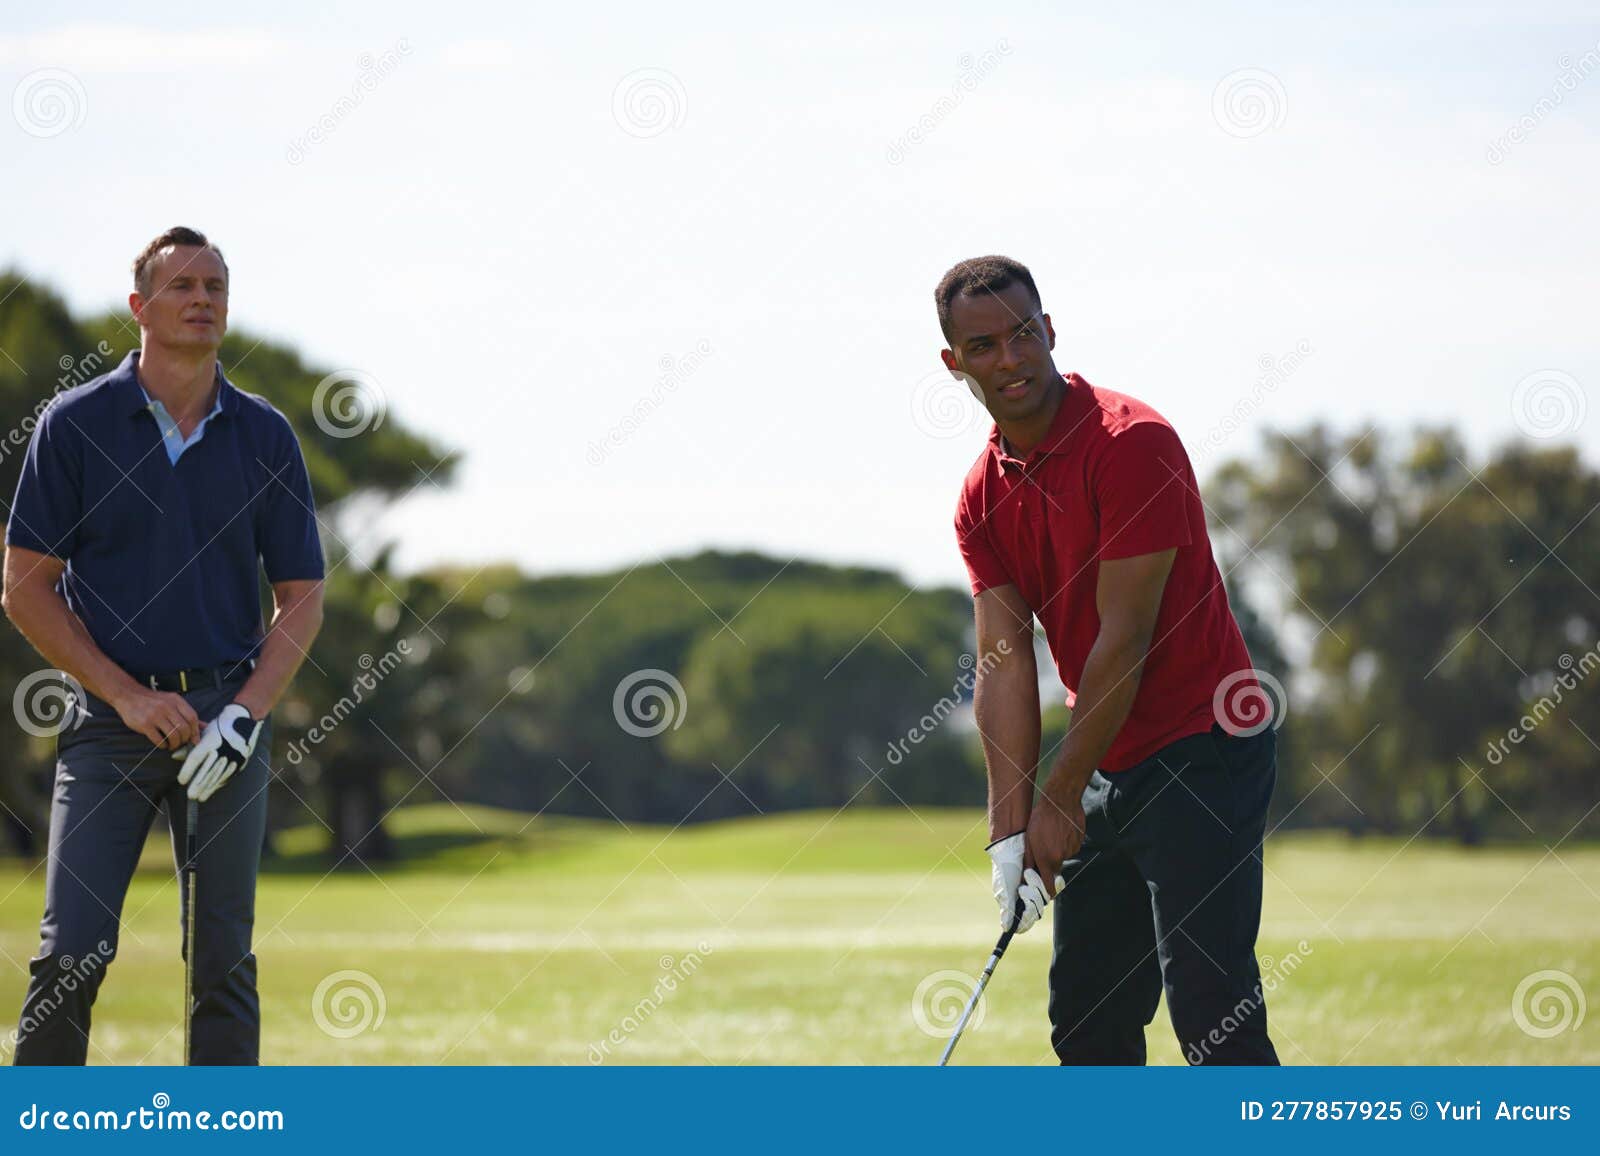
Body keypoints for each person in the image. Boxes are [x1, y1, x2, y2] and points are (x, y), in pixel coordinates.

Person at [938, 255, 1280, 1065]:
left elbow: (1129, 639)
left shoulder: (1131, 443)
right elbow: (1003, 659)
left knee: (1213, 1016)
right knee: (1087, 1023)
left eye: (1023, 335)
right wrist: (1009, 834)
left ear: (1050, 330)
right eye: (983, 347)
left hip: (1203, 749)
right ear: (954, 364)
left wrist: (1057, 798)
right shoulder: (982, 495)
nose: (1011, 359)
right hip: (1106, 759)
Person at [5, 226, 325, 1064]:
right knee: (68, 952)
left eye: (215, 286)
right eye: (182, 287)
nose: (202, 300)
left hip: (227, 723)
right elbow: (25, 588)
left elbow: (302, 599)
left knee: (223, 961)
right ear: (140, 307)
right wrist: (127, 696)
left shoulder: (266, 436)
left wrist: (247, 716)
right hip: (109, 726)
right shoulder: (73, 425)